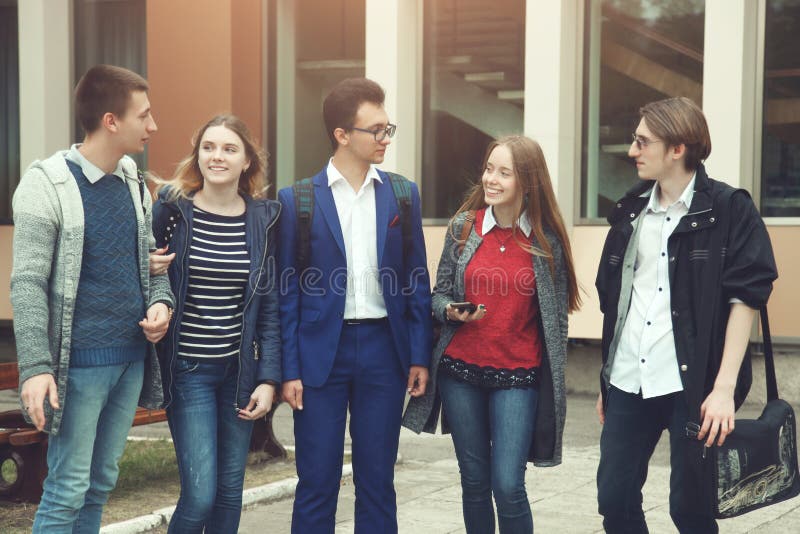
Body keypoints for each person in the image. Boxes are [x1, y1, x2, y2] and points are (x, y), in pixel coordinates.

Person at [594, 97, 778, 533]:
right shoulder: (630, 210)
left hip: (692, 385)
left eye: (643, 141)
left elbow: (747, 298)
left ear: (677, 148)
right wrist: (608, 376)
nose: (632, 150)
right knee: (614, 501)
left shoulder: (730, 208)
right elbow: (615, 299)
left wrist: (723, 389)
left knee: (690, 510)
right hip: (628, 380)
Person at [10, 64, 174, 533]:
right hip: (78, 367)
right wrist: (37, 367)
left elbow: (149, 264)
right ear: (110, 121)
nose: (153, 126)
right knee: (67, 489)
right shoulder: (45, 184)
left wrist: (161, 304)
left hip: (130, 361)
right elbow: (27, 283)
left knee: (101, 482)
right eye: (144, 116)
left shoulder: (132, 181)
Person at [277, 77, 432, 533]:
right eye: (375, 130)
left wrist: (420, 354)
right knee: (317, 482)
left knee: (378, 482)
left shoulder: (403, 193)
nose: (385, 139)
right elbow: (286, 293)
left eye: (389, 129)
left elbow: (416, 279)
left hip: (385, 351)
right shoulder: (298, 200)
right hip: (319, 356)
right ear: (342, 135)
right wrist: (289, 368)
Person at [403, 135, 581, 533]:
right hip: (460, 372)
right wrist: (450, 310)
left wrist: (556, 380)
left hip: (517, 376)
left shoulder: (544, 242)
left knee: (508, 484)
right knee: (475, 481)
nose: (491, 179)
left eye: (504, 172)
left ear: (527, 182)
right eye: (489, 168)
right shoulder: (464, 228)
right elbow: (438, 295)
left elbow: (555, 323)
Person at [149, 114, 281, 533]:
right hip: (188, 372)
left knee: (228, 495)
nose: (217, 156)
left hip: (239, 374)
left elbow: (271, 307)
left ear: (246, 162)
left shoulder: (265, 220)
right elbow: (145, 276)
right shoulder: (172, 212)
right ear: (197, 155)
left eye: (229, 149)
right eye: (208, 147)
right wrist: (147, 268)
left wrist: (268, 378)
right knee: (201, 495)